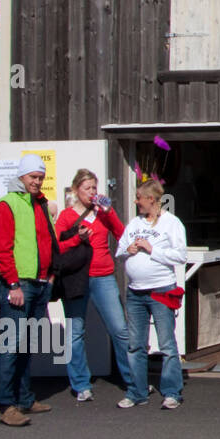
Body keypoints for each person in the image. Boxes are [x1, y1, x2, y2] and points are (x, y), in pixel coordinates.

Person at [54, 170, 134, 401]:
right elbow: (56, 247)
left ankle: (132, 380)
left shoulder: (102, 213)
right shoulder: (68, 216)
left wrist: (109, 213)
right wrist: (77, 238)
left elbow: (122, 235)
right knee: (75, 332)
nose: (92, 192)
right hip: (76, 277)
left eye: (94, 188)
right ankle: (81, 385)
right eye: (87, 188)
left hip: (103, 275)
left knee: (119, 329)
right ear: (76, 190)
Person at [0, 154, 56, 427]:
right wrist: (14, 284)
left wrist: (51, 276)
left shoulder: (40, 204)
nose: (37, 181)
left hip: (39, 283)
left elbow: (48, 241)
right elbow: (1, 249)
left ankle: (25, 397)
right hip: (18, 284)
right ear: (21, 177)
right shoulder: (8, 205)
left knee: (27, 343)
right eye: (33, 177)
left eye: (40, 177)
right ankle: (6, 404)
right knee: (11, 345)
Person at [116, 180, 188, 410]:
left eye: (139, 197)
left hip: (160, 289)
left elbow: (180, 255)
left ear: (152, 200)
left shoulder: (171, 223)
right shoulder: (134, 223)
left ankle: (171, 392)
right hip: (135, 291)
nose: (136, 201)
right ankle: (137, 391)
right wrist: (128, 251)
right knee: (136, 344)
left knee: (167, 344)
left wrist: (151, 249)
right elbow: (118, 250)